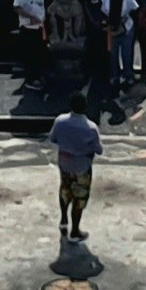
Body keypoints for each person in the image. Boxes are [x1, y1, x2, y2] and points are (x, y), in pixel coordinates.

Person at [49, 103, 103, 240]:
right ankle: (75, 231)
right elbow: (99, 150)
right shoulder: (91, 127)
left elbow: (53, 138)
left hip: (64, 164)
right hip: (81, 166)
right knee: (79, 198)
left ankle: (63, 220)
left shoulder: (60, 121)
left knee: (65, 190)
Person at [11, 0, 48, 78]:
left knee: (39, 52)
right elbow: (17, 7)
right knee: (30, 53)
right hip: (28, 26)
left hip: (39, 25)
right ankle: (31, 78)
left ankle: (38, 75)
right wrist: (31, 17)